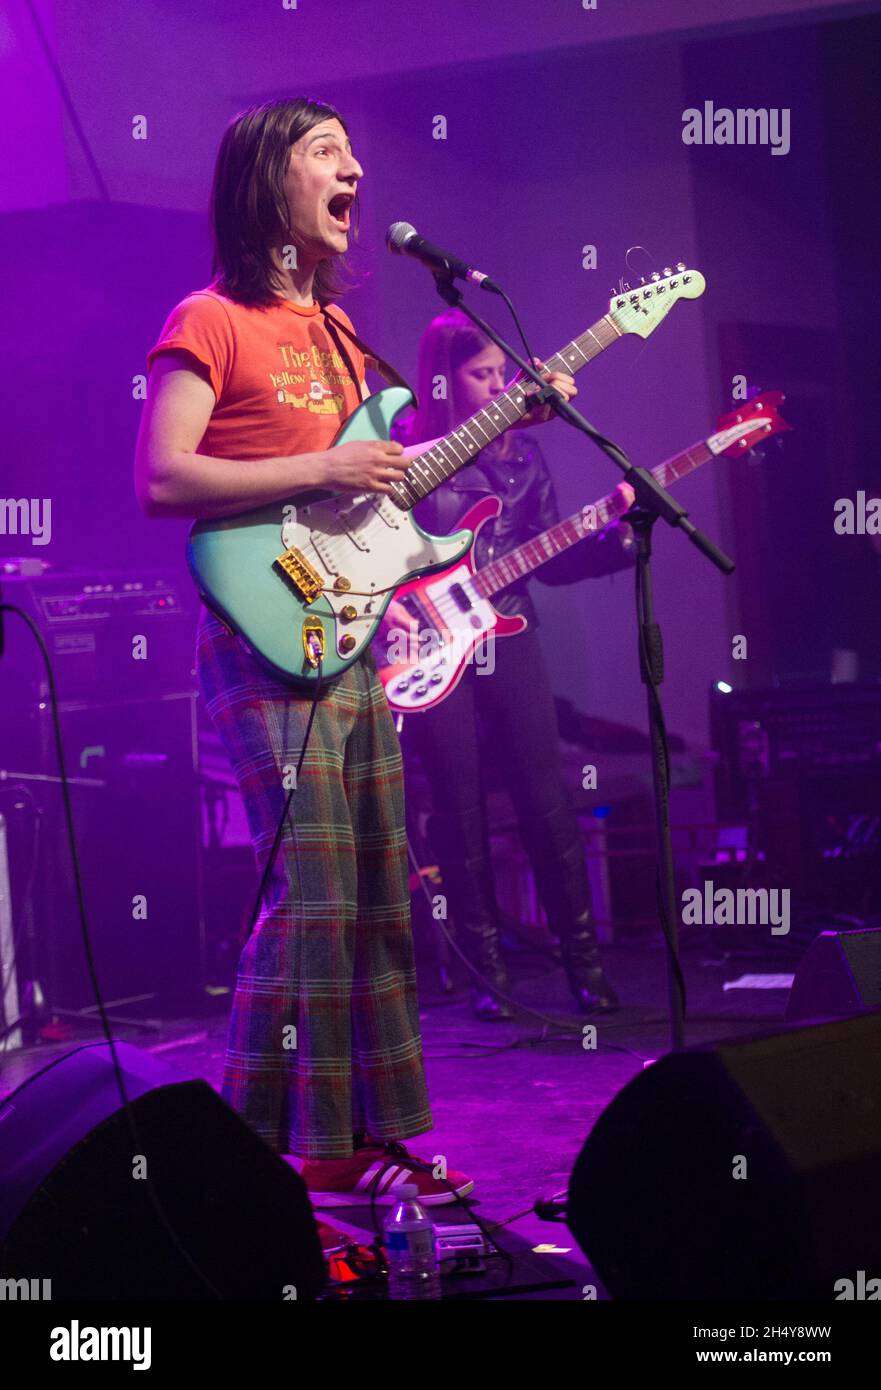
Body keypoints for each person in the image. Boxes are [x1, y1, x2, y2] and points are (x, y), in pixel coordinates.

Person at [134, 99, 577, 1203]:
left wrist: (507, 418)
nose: (355, 168)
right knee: (315, 890)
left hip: (348, 635)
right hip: (262, 633)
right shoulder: (210, 317)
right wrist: (319, 474)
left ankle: (365, 1139)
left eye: (350, 152)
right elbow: (163, 477)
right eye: (324, 151)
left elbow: (384, 484)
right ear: (263, 183)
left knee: (382, 888)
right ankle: (249, 1159)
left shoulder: (341, 340)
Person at [384, 309, 635, 1021]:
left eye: (502, 372)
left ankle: (584, 965)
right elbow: (378, 551)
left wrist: (613, 539)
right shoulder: (407, 451)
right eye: (481, 373)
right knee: (456, 808)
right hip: (431, 643)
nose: (498, 385)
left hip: (508, 630)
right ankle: (486, 974)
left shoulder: (525, 458)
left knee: (543, 797)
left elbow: (547, 565)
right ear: (444, 377)